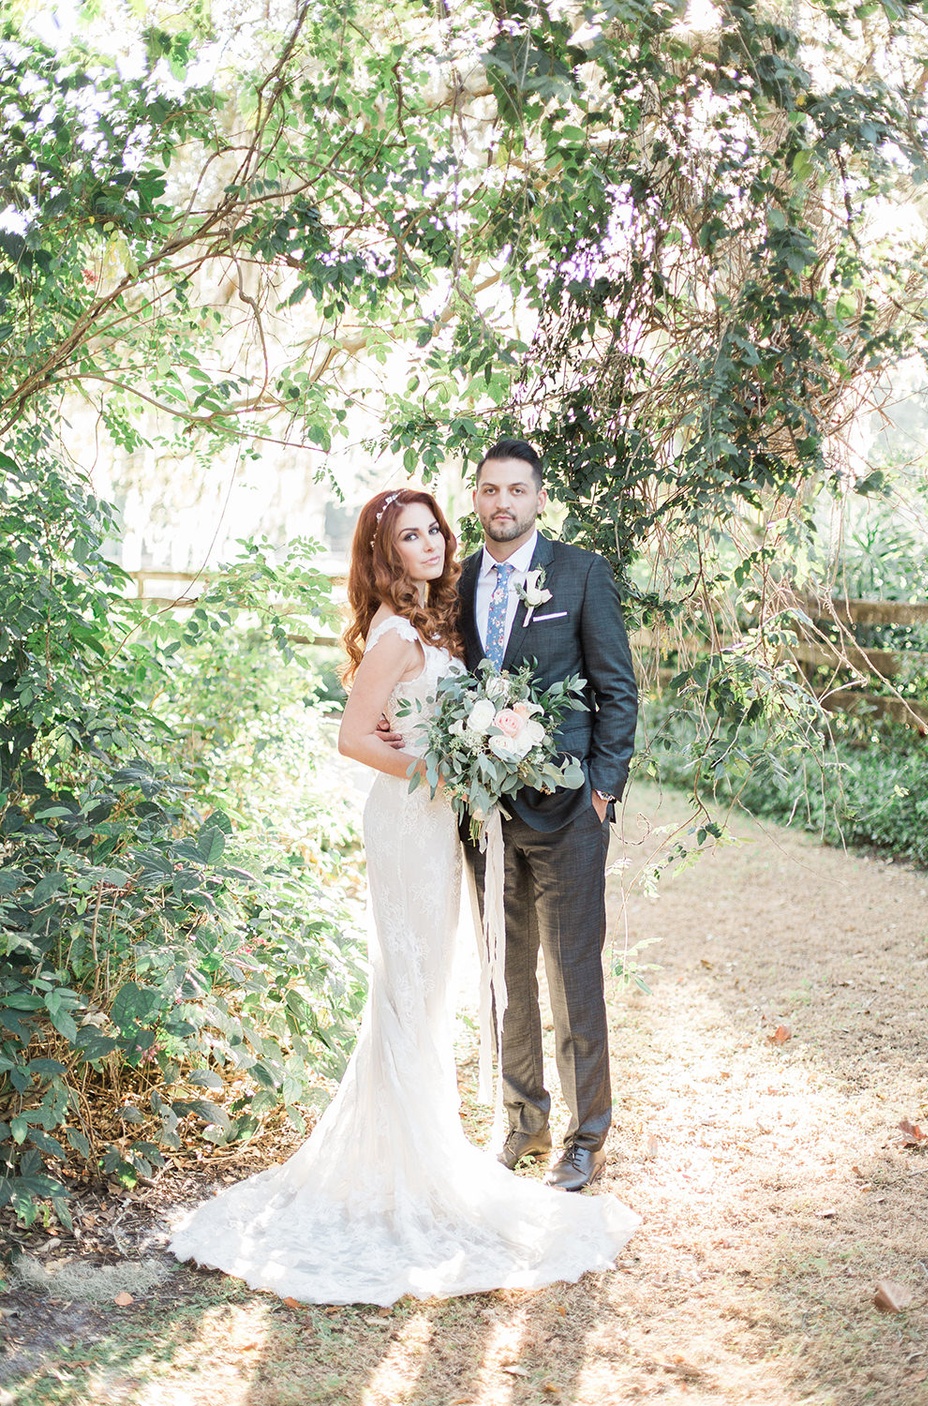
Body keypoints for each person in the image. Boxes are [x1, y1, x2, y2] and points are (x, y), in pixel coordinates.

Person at [169, 487, 638, 1305]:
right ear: (384, 554)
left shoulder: (434, 621)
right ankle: (412, 1166)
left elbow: (431, 713)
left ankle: (413, 1151)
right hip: (406, 824)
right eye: (409, 536)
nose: (428, 543)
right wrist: (440, 768)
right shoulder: (392, 634)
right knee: (410, 985)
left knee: (422, 992)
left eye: (432, 530)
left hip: (436, 827)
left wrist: (461, 751)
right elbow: (353, 736)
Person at [461, 440, 638, 1192]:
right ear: (476, 498)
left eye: (516, 491)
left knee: (571, 976)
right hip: (484, 819)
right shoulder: (459, 580)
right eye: (490, 490)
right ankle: (524, 1121)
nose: (502, 503)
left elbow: (616, 689)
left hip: (569, 813)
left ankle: (586, 1137)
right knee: (506, 977)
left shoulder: (579, 573)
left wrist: (602, 789)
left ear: (538, 499)